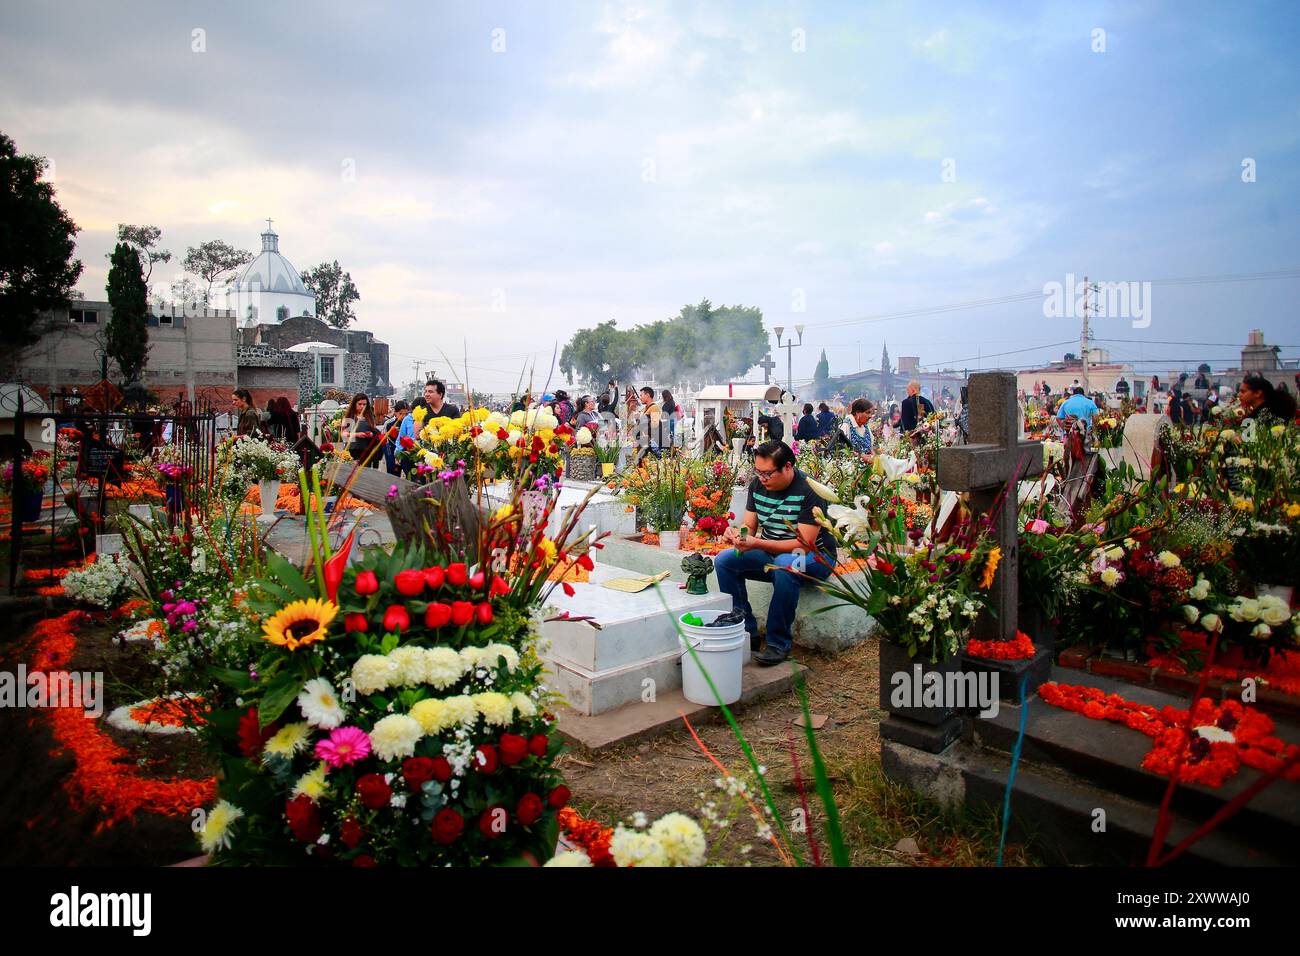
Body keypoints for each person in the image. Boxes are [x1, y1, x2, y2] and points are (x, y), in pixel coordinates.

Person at [714, 440, 837, 666]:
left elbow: (805, 543)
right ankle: (746, 631)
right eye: (758, 472)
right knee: (725, 561)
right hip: (774, 552)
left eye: (768, 474)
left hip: (815, 557)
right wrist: (738, 536)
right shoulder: (757, 486)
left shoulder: (809, 490)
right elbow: (749, 527)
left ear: (787, 467)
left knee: (785, 564)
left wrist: (757, 543)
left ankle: (778, 642)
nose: (762, 479)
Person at [399, 380, 461, 445]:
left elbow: (457, 432)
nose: (426, 394)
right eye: (425, 392)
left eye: (430, 392)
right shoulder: (421, 411)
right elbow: (417, 435)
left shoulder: (453, 410)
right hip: (428, 452)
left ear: (440, 394)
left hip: (449, 450)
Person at [342, 393, 381, 467]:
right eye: (359, 404)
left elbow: (375, 431)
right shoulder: (350, 417)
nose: (362, 406)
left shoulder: (370, 417)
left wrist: (371, 434)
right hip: (352, 451)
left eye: (364, 404)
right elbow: (344, 434)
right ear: (354, 404)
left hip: (366, 451)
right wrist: (356, 434)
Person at [383, 400, 409, 474]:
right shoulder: (389, 424)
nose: (403, 416)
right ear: (395, 412)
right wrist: (390, 457)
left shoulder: (411, 423)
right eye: (400, 413)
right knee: (393, 477)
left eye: (406, 414)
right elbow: (385, 442)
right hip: (392, 453)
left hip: (406, 455)